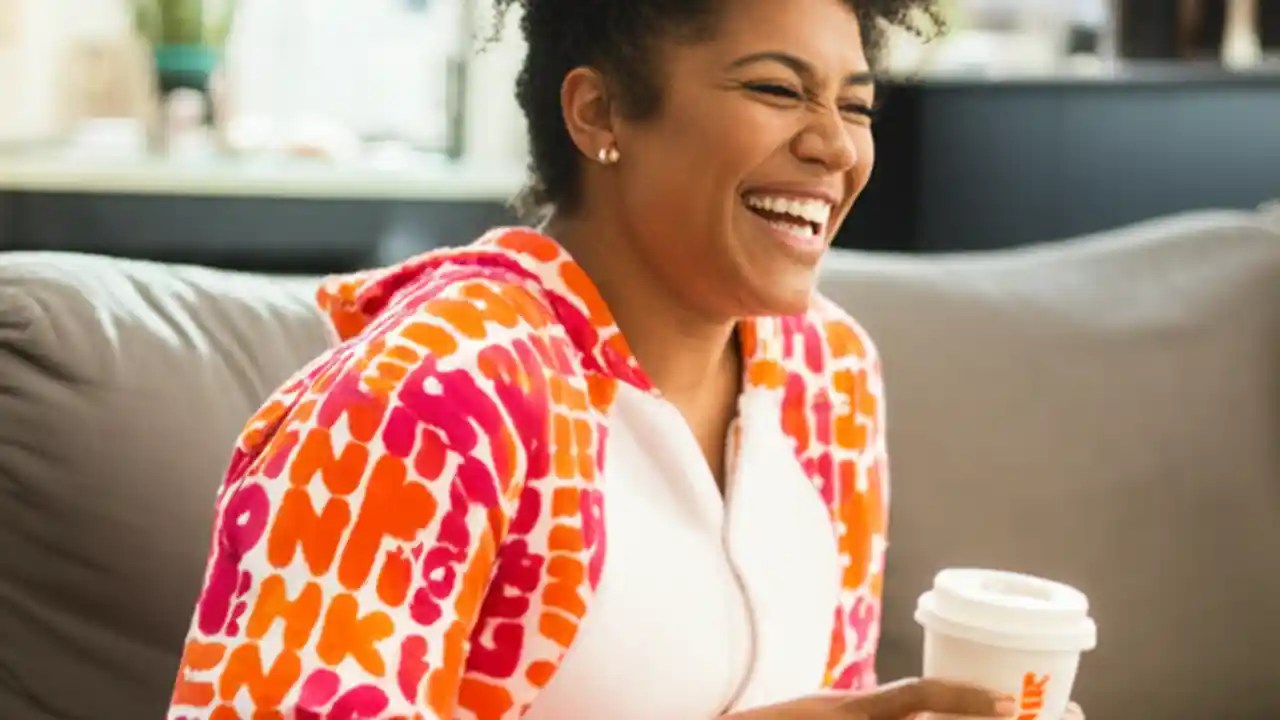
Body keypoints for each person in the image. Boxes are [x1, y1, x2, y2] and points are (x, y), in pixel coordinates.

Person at [167, 0, 1085, 718]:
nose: (836, 145)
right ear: (599, 110)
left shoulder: (826, 373)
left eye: (855, 104)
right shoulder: (432, 394)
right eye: (776, 89)